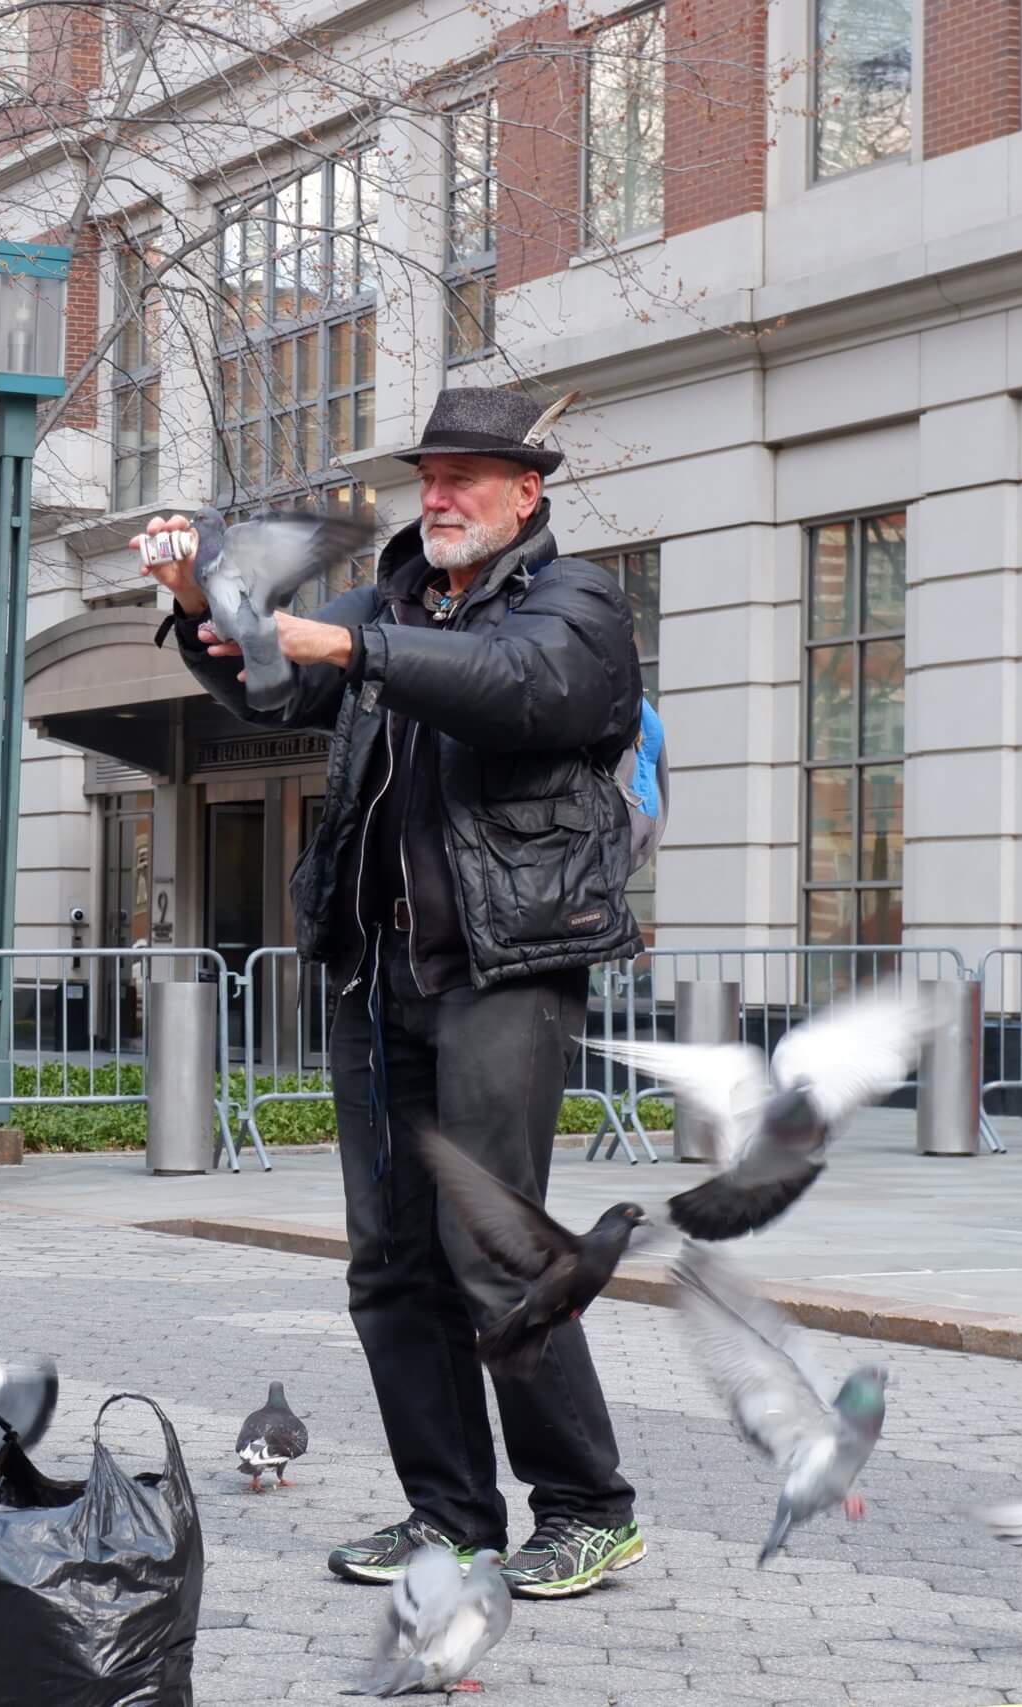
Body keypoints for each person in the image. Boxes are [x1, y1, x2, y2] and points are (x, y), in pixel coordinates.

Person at [137, 387, 645, 1598]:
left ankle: (585, 1507)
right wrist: (201, 603)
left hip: (502, 970)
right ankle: (449, 1516)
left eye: (467, 476)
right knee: (390, 1266)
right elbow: (274, 685)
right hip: (372, 976)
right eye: (430, 474)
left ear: (526, 493)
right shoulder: (397, 596)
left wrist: (350, 644)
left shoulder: (576, 605)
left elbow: (523, 690)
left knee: (496, 1254)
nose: (439, 495)